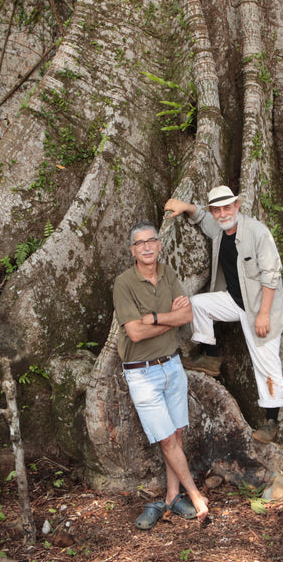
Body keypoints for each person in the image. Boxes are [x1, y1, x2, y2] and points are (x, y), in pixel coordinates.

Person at [164, 186, 283, 444]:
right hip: (235, 302)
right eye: (217, 210)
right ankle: (211, 357)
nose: (222, 214)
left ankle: (271, 420)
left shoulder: (257, 232)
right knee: (197, 304)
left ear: (237, 206)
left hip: (260, 309)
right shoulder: (219, 229)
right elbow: (201, 217)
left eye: (227, 208)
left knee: (266, 362)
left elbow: (272, 275)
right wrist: (185, 207)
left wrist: (264, 314)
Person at [112, 221, 209, 529]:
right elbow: (135, 333)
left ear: (159, 244)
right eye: (140, 243)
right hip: (142, 374)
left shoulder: (168, 274)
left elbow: (188, 314)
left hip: (172, 366)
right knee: (167, 439)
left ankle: (171, 497)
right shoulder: (124, 283)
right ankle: (195, 495)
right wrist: (171, 318)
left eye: (151, 241)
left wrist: (153, 318)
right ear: (132, 250)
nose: (146, 247)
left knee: (176, 435)